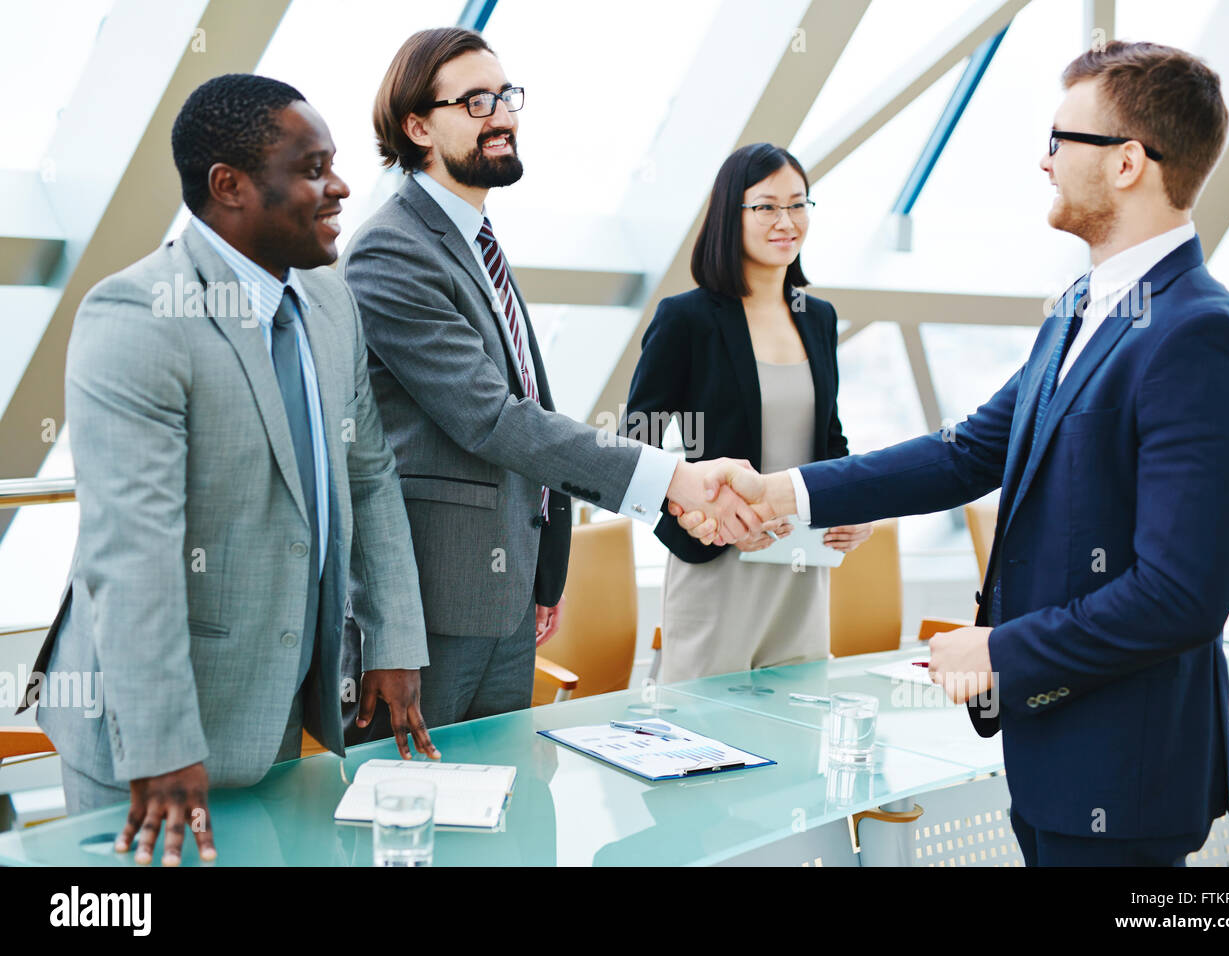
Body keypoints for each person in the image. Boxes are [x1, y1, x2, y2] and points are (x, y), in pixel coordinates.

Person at [676, 41, 1229, 866]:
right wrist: (782, 492)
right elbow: (966, 452)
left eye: (1063, 141)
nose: (1044, 160)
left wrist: (996, 649)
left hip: (1126, 773)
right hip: (1050, 754)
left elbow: (1181, 598)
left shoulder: (1198, 333)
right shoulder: (1080, 306)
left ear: (1130, 163)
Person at [20, 74, 436, 865]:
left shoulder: (328, 300)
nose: (341, 186)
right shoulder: (138, 316)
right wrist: (161, 747)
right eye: (314, 168)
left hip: (275, 708)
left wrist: (393, 639)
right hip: (146, 740)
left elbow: (370, 471)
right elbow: (130, 554)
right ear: (229, 187)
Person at [341, 27, 759, 736]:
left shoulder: (477, 240)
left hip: (507, 598)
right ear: (417, 126)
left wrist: (542, 570)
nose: (501, 115)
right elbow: (493, 419)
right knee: (418, 822)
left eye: (505, 96)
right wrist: (671, 478)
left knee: (505, 815)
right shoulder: (390, 249)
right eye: (475, 101)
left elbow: (525, 406)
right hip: (429, 614)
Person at [623, 143, 873, 682]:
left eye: (798, 204)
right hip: (718, 567)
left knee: (797, 741)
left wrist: (856, 502)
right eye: (765, 207)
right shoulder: (687, 319)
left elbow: (828, 440)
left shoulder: (818, 318)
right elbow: (635, 440)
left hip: (803, 570)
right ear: (729, 215)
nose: (786, 221)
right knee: (703, 745)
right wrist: (695, 520)